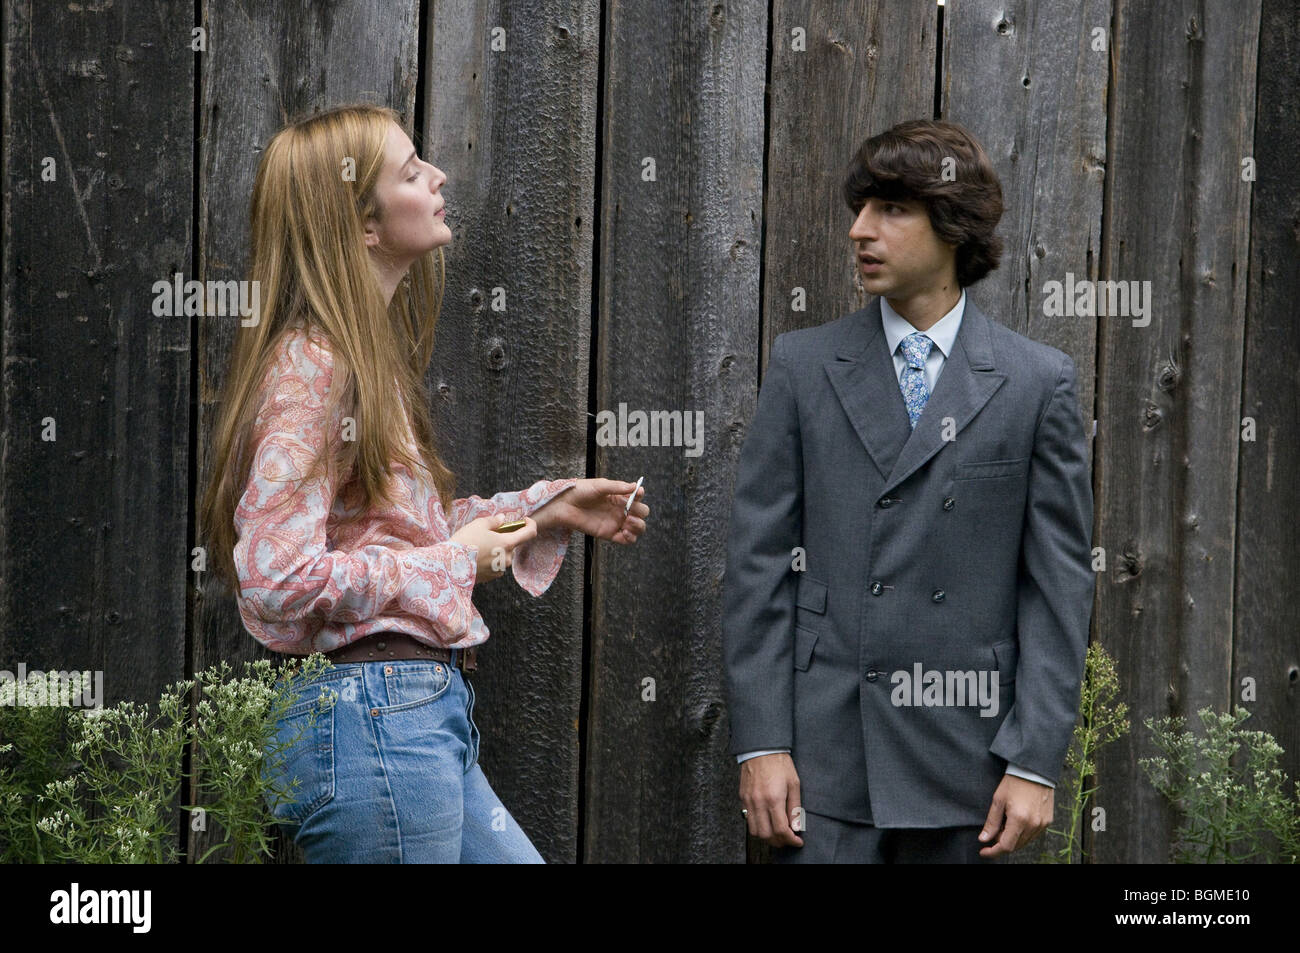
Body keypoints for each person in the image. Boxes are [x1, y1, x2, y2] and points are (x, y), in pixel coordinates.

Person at [199, 103, 649, 863]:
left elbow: (406, 528)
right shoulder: (315, 367)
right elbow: (273, 577)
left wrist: (548, 509)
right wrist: (454, 562)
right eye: (410, 171)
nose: (438, 176)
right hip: (377, 721)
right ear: (363, 225)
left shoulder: (356, 360)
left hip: (410, 719)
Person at [722, 119, 1094, 863]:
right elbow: (757, 567)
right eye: (860, 208)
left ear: (952, 225)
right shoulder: (805, 366)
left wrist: (1033, 759)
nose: (861, 230)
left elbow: (1058, 586)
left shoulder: (1035, 382)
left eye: (891, 209)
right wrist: (761, 741)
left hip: (972, 767)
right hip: (823, 769)